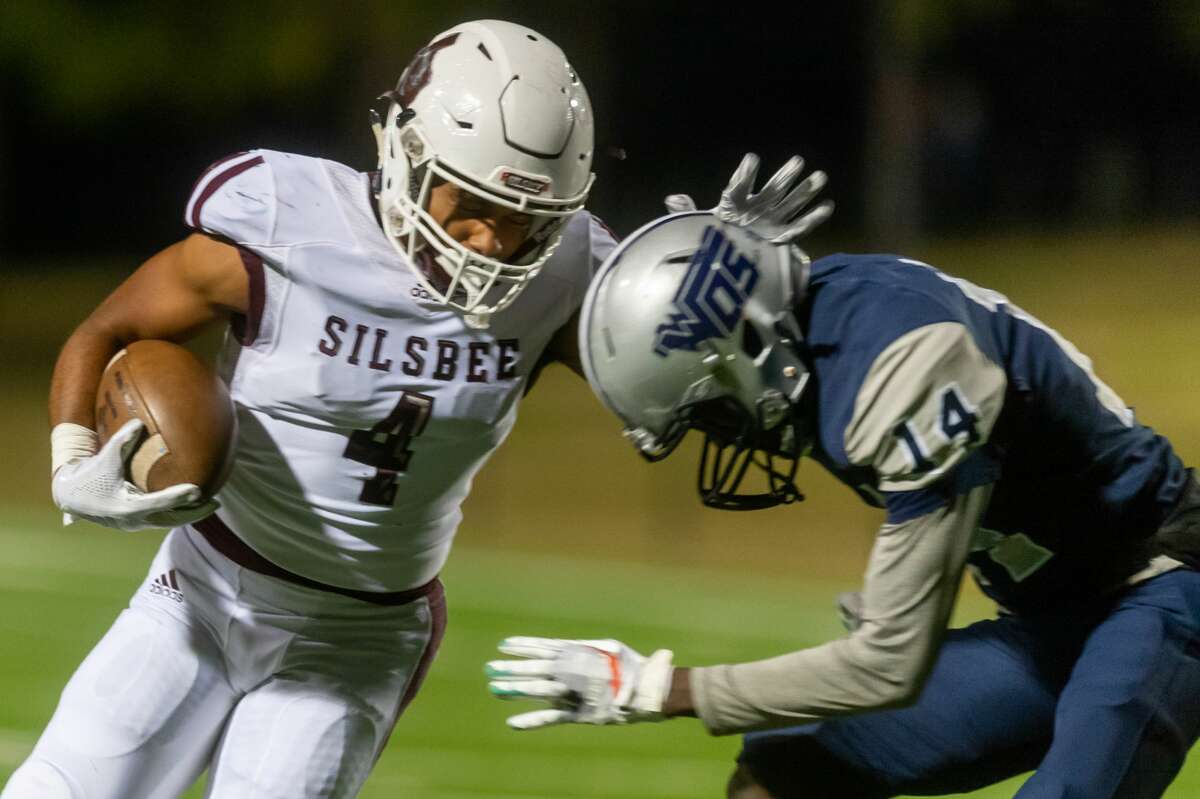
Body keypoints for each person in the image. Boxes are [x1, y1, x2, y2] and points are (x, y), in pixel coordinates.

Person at [5, 19, 616, 799]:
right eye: (472, 201)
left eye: (524, 218)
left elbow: (677, 379)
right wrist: (68, 461)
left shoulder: (567, 281)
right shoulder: (287, 229)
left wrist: (733, 294)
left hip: (359, 635)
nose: (493, 241)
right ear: (407, 152)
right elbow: (111, 328)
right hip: (196, 592)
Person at [486, 155, 1200, 798]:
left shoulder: (901, 369)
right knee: (790, 761)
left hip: (1160, 585)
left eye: (711, 415)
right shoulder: (802, 327)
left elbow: (888, 661)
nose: (721, 435)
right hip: (1049, 619)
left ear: (748, 355)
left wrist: (652, 687)